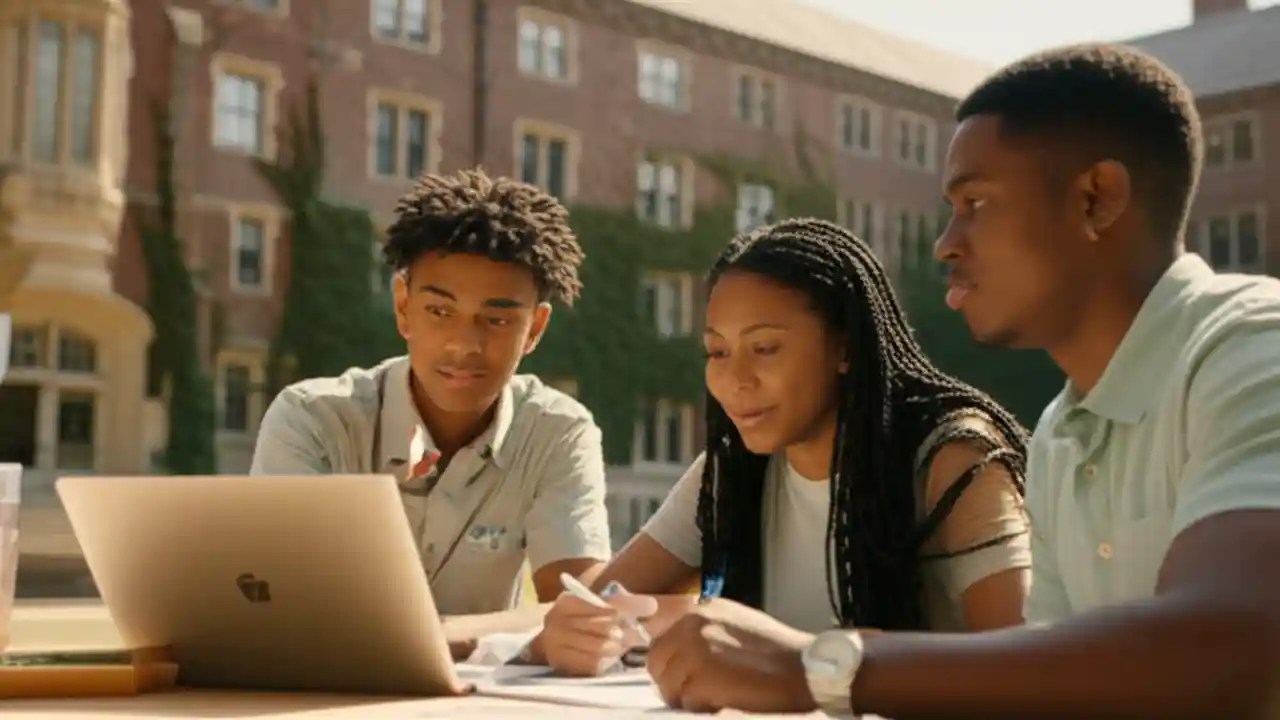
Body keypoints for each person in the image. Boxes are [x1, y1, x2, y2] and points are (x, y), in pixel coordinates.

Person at [643, 44, 1280, 719]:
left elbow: (1240, 649)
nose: (946, 242)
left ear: (1096, 198)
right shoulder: (1064, 431)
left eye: (975, 201)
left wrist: (823, 667)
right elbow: (1047, 683)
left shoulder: (1252, 347)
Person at [534, 218, 1032, 677]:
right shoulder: (731, 471)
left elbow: (1022, 666)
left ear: (845, 347)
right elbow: (597, 605)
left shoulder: (952, 460)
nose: (734, 379)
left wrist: (799, 658)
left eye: (765, 348)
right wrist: (574, 632)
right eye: (717, 352)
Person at [250, 169, 611, 648]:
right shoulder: (312, 419)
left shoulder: (557, 433)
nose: (465, 344)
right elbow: (276, 605)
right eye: (440, 312)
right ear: (403, 306)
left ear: (536, 328)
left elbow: (579, 617)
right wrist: (488, 638)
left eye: (498, 320)